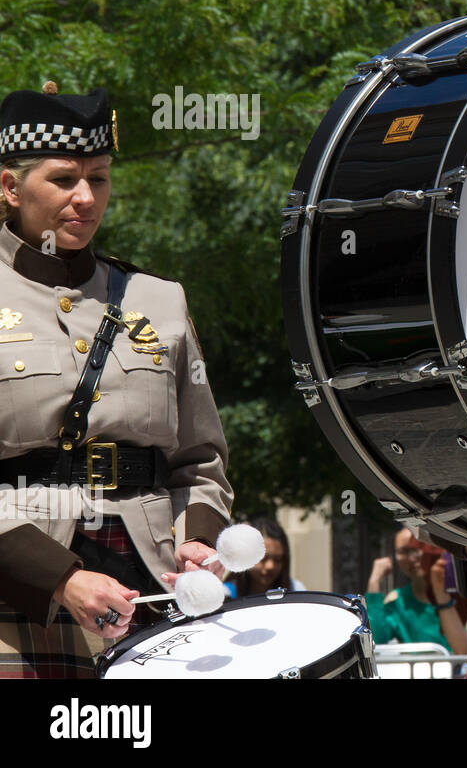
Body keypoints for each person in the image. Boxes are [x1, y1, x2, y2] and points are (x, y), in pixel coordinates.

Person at [0, 84, 232, 678]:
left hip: (152, 592)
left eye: (98, 178)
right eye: (62, 179)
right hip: (17, 603)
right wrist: (60, 578)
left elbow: (199, 462)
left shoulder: (161, 300)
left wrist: (200, 541)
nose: (85, 198)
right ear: (9, 187)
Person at [365, 527, 467, 656]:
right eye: (404, 551)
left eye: (419, 548)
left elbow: (465, 651)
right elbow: (375, 642)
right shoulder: (397, 602)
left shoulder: (462, 591)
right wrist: (374, 582)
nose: (413, 557)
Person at [223, 516, 305, 598]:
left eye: (278, 559)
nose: (270, 566)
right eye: (262, 558)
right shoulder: (226, 594)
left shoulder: (296, 590)